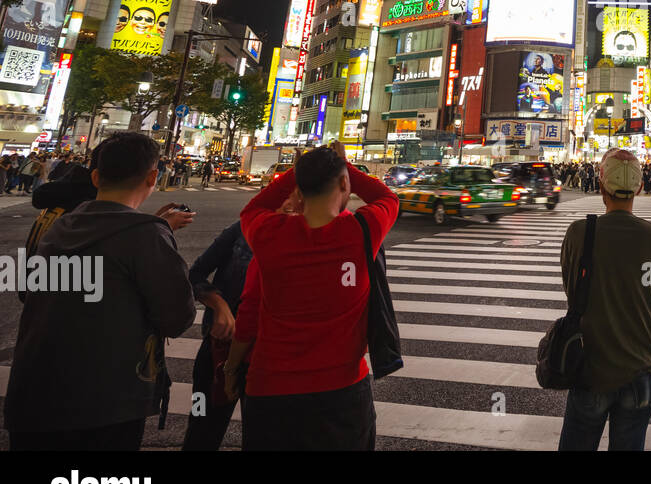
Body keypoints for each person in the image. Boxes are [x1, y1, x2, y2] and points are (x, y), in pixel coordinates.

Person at [4, 133, 196, 450]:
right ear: (153, 177)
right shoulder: (146, 236)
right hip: (104, 403)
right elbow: (176, 316)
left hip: (34, 393)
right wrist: (157, 230)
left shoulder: (61, 226)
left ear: (95, 176)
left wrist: (154, 227)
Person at [226, 141, 398, 450]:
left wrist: (301, 170)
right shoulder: (361, 232)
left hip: (271, 389)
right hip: (342, 390)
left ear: (300, 188)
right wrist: (344, 167)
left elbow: (252, 209)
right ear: (344, 183)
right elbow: (387, 197)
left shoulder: (270, 234)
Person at [558, 148, 651, 451]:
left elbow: (572, 291)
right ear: (640, 187)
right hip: (641, 371)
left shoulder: (580, 233)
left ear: (601, 187)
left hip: (591, 369)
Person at [182, 220, 255, 450]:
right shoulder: (243, 229)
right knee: (200, 426)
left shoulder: (312, 239)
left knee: (262, 437)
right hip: (217, 352)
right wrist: (219, 304)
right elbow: (195, 274)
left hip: (268, 363)